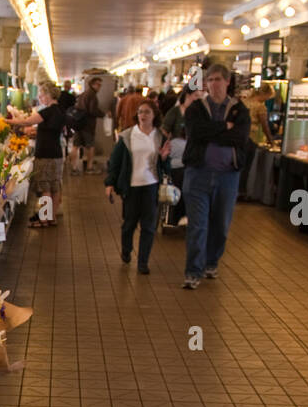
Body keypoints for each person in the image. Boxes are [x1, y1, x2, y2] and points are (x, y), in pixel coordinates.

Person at [180, 62, 251, 289]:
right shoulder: (196, 108)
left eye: (217, 80)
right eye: (209, 80)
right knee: (198, 225)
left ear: (227, 82)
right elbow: (195, 133)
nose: (213, 84)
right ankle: (193, 270)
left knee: (221, 224)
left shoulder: (240, 110)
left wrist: (214, 131)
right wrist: (224, 128)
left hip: (227, 176)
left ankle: (212, 262)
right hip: (198, 174)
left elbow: (240, 138)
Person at [105, 101, 171, 274]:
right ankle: (126, 250)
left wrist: (164, 158)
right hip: (131, 187)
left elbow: (167, 168)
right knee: (129, 223)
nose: (143, 115)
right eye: (141, 112)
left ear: (154, 115)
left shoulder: (160, 137)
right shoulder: (127, 136)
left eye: (147, 112)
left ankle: (143, 262)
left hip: (151, 186)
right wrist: (110, 183)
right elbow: (115, 161)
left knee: (149, 226)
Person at [9, 81, 65, 228]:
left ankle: (44, 219)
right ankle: (51, 217)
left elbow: (26, 121)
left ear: (48, 95)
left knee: (45, 187)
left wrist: (6, 120)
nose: (40, 97)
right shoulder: (59, 111)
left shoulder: (46, 112)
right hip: (56, 154)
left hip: (45, 154)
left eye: (41, 94)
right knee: (55, 187)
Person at [161, 87, 203, 227]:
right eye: (196, 95)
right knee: (181, 180)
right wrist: (167, 146)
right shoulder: (175, 112)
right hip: (177, 156)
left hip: (193, 156)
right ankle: (178, 216)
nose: (198, 98)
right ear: (188, 95)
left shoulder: (201, 113)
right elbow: (164, 130)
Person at [70, 75, 104, 174]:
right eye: (98, 84)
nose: (99, 87)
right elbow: (92, 111)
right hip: (88, 124)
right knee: (90, 146)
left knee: (75, 146)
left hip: (78, 123)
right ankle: (89, 168)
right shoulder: (92, 95)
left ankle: (74, 168)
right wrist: (103, 114)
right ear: (93, 84)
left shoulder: (84, 94)